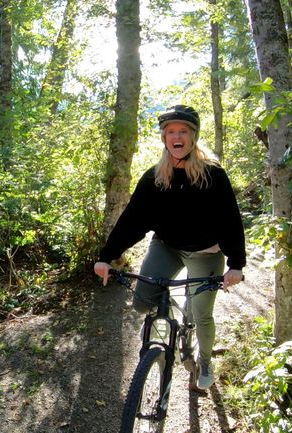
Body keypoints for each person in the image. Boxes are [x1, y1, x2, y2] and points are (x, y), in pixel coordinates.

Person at [93, 104, 245, 391]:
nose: (177, 137)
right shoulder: (155, 177)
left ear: (193, 136)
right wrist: (107, 256)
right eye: (171, 132)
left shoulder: (213, 175)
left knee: (201, 315)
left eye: (183, 131)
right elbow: (132, 220)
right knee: (141, 301)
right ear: (164, 138)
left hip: (206, 252)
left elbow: (230, 220)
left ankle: (205, 361)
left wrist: (236, 263)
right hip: (167, 246)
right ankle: (167, 320)